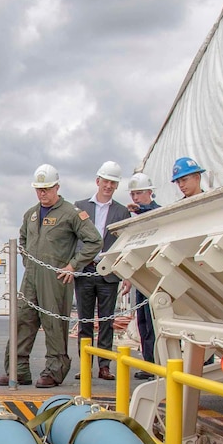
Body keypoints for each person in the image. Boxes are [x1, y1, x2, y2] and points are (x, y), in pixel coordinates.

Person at [2, 164, 100, 388]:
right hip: (31, 277)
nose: (42, 193)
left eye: (46, 189)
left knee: (54, 324)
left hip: (56, 278)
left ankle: (54, 371)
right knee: (23, 320)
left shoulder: (71, 213)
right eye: (38, 189)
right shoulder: (31, 214)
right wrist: (27, 261)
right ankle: (18, 370)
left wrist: (73, 265)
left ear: (57, 186)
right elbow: (23, 239)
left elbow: (94, 240)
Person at [74, 161, 126, 381]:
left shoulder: (122, 211)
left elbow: (124, 242)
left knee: (106, 320)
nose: (108, 186)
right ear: (98, 181)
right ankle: (85, 365)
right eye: (106, 181)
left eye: (113, 183)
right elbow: (73, 238)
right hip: (86, 270)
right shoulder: (80, 207)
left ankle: (104, 365)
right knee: (85, 320)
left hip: (108, 272)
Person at [122, 171, 162, 373]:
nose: (135, 198)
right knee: (143, 323)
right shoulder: (134, 217)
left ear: (149, 192)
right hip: (139, 274)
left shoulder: (160, 212)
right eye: (133, 194)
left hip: (155, 276)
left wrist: (140, 211)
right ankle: (148, 363)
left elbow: (154, 219)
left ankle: (157, 363)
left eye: (139, 193)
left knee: (155, 323)